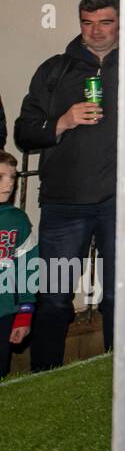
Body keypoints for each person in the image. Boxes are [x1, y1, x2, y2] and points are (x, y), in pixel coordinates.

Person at [15, 0, 120, 371]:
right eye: (87, 23)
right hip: (63, 206)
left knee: (118, 297)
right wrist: (61, 122)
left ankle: (118, 378)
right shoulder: (55, 70)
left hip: (120, 207)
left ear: (121, 22)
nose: (95, 31)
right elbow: (23, 133)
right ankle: (44, 380)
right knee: (54, 296)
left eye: (105, 22)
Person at [0, 152, 37, 379]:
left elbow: (28, 268)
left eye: (13, 177)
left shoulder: (18, 220)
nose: (10, 183)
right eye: (1, 176)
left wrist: (25, 313)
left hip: (4, 313)